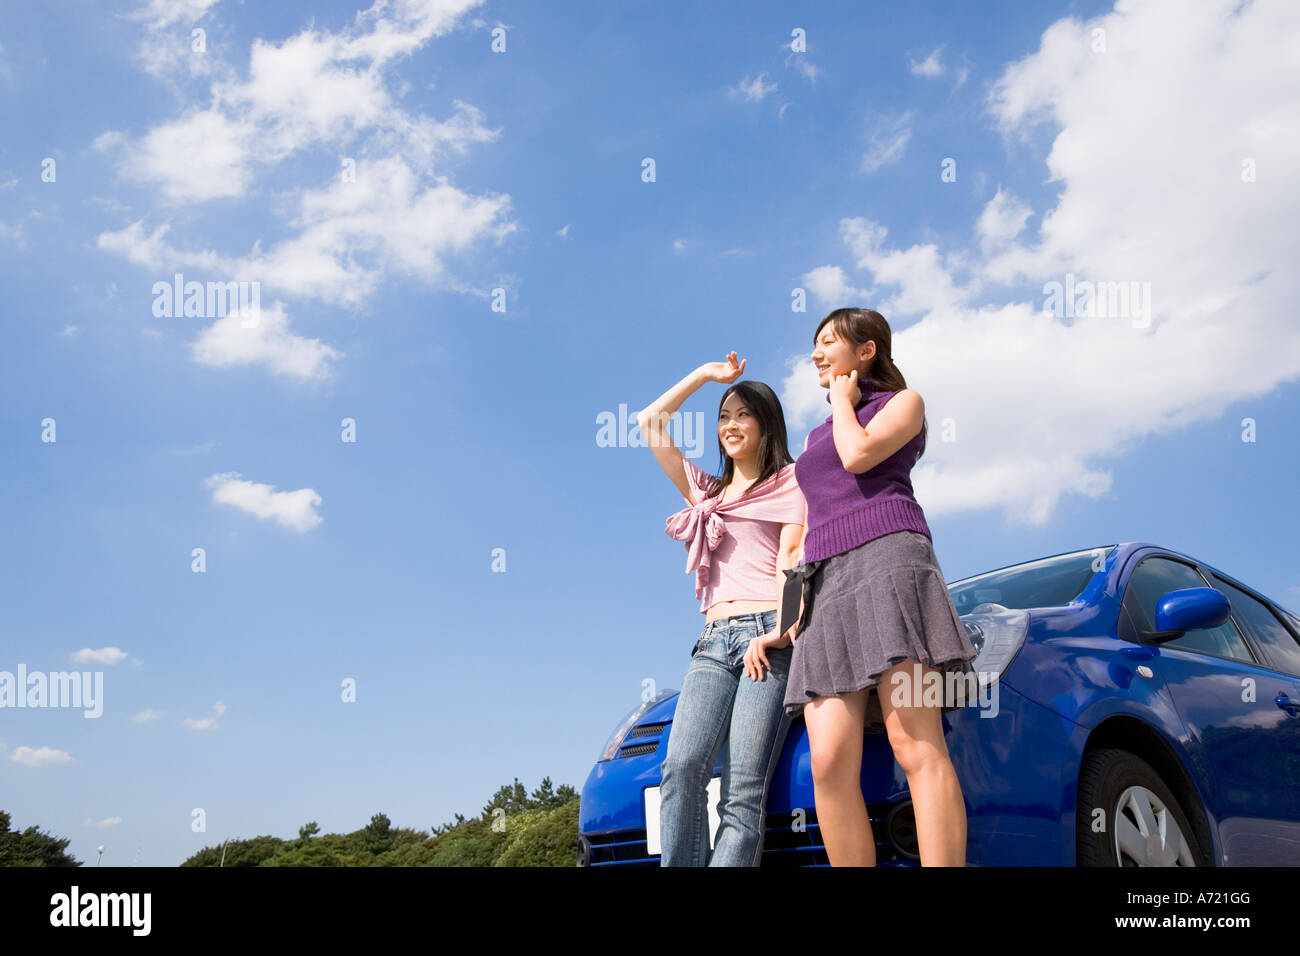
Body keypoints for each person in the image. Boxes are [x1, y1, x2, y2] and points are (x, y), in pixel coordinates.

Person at [782, 308, 977, 866]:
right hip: (826, 587)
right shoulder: (818, 434)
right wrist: (792, 610)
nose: (816, 354)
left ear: (866, 350)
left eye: (828, 342)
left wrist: (844, 403)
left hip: (889, 563)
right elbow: (802, 535)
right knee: (828, 763)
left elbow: (860, 454)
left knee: (914, 742)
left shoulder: (902, 403)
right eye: (813, 345)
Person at [636, 351, 807, 866]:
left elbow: (793, 563)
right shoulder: (707, 492)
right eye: (723, 417)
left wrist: (780, 631)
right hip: (713, 640)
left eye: (743, 415)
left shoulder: (793, 483)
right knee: (682, 766)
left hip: (766, 642)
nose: (731, 425)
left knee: (742, 793)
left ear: (766, 424)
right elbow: (650, 421)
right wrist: (706, 376)